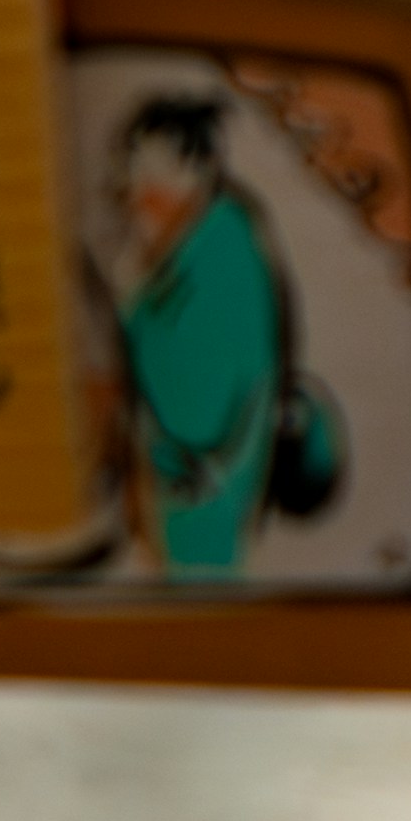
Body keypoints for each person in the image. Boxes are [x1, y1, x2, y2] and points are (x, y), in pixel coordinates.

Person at [101, 94, 292, 579]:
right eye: (135, 170)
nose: (140, 192)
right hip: (173, 482)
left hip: (200, 486)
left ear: (198, 171)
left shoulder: (223, 248)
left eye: (158, 174)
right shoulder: (172, 251)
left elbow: (196, 402)